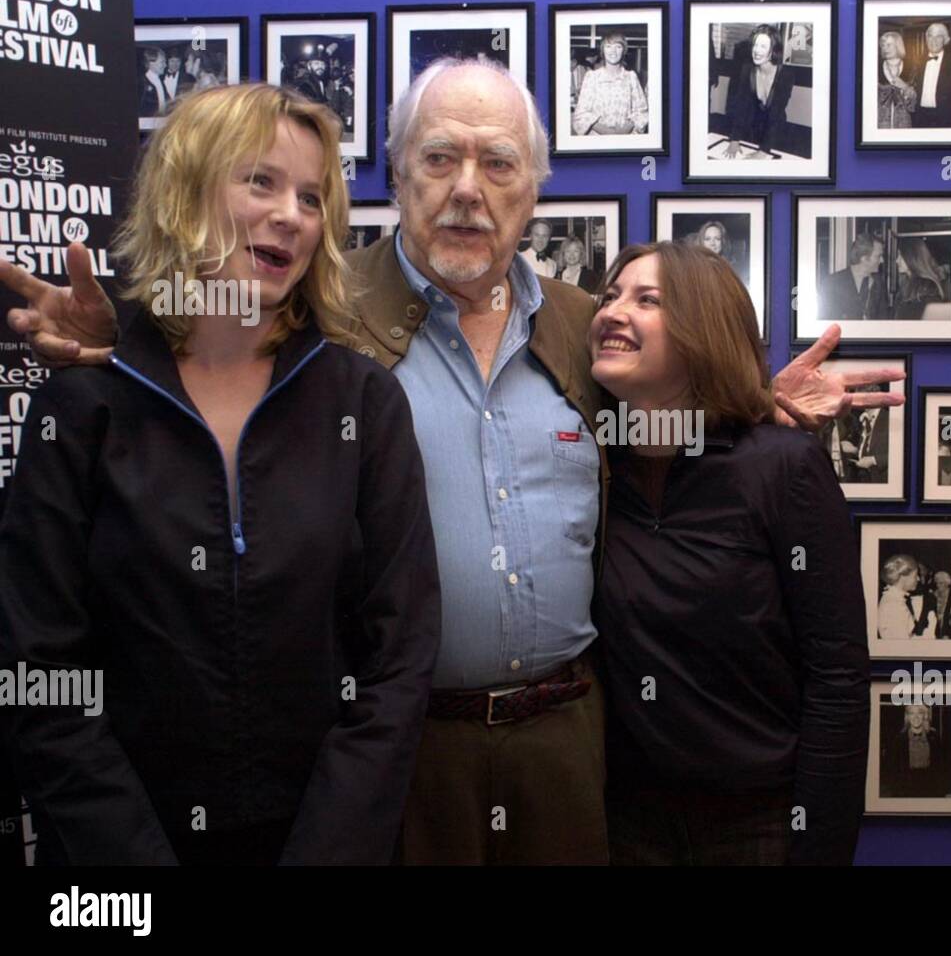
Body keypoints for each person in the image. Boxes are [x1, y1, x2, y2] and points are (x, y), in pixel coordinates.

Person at [3, 58, 898, 865]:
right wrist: (126, 328)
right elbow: (210, 325)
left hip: (572, 739)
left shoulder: (587, 327)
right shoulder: (323, 309)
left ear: (532, 191)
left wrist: (753, 401)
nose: (468, 189)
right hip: (400, 746)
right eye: (439, 159)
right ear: (396, 176)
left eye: (499, 163)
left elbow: (680, 406)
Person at [0, 84, 442, 864]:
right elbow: (41, 675)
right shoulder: (84, 406)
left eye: (313, 196)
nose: (293, 215)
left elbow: (397, 659)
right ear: (186, 189)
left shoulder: (363, 400)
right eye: (261, 181)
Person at [590, 242, 872, 865]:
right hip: (626, 826)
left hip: (759, 827)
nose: (612, 311)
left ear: (702, 329)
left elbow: (838, 676)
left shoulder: (782, 466)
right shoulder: (595, 468)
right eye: (609, 297)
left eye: (647, 300)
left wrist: (817, 847)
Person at [721, 24, 796, 158]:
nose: (756, 50)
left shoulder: (786, 75)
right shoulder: (747, 69)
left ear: (773, 50)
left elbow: (776, 113)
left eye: (763, 46)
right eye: (755, 45)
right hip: (751, 130)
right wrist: (734, 139)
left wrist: (764, 151)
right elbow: (741, 106)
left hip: (775, 132)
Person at [571, 32, 649, 136]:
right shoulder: (592, 77)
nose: (613, 51)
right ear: (602, 50)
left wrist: (626, 130)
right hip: (597, 140)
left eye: (618, 47)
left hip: (626, 140)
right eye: (608, 46)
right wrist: (609, 132)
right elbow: (581, 115)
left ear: (624, 50)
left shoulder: (631, 77)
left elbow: (641, 112)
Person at [882, 705, 951, 798]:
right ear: (907, 717)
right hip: (906, 791)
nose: (915, 717)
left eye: (919, 713)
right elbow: (891, 769)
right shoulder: (898, 740)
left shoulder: (934, 738)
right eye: (912, 713)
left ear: (925, 716)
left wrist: (947, 790)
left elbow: (944, 766)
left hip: (931, 790)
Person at [820, 233, 887, 320]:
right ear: (864, 258)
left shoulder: (879, 284)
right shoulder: (832, 283)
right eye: (878, 256)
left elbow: (883, 322)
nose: (882, 260)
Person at [912, 22, 951, 128]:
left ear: (946, 40)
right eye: (930, 36)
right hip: (920, 118)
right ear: (926, 39)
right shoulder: (917, 62)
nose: (933, 41)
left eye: (938, 37)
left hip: (945, 118)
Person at [878, 554, 933, 640]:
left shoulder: (894, 598)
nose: (918, 579)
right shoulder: (894, 604)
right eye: (915, 576)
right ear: (904, 577)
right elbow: (902, 647)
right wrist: (928, 635)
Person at [893, 238, 947, 319]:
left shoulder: (928, 288)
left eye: (900, 255)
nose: (897, 260)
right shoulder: (906, 285)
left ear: (912, 257)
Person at [877, 31, 917, 129]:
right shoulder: (875, 67)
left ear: (898, 46)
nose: (885, 48)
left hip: (903, 124)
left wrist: (904, 86)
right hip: (879, 124)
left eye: (889, 45)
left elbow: (914, 104)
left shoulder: (911, 68)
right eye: (883, 45)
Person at [838, 404, 888, 483]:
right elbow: (869, 447)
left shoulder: (889, 418)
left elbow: (900, 455)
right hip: (862, 478)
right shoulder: (863, 418)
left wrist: (874, 460)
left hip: (881, 480)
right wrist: (854, 450)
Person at [139, 47, 167, 116]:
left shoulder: (160, 80)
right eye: (162, 62)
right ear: (151, 63)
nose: (165, 65)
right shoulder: (141, 83)